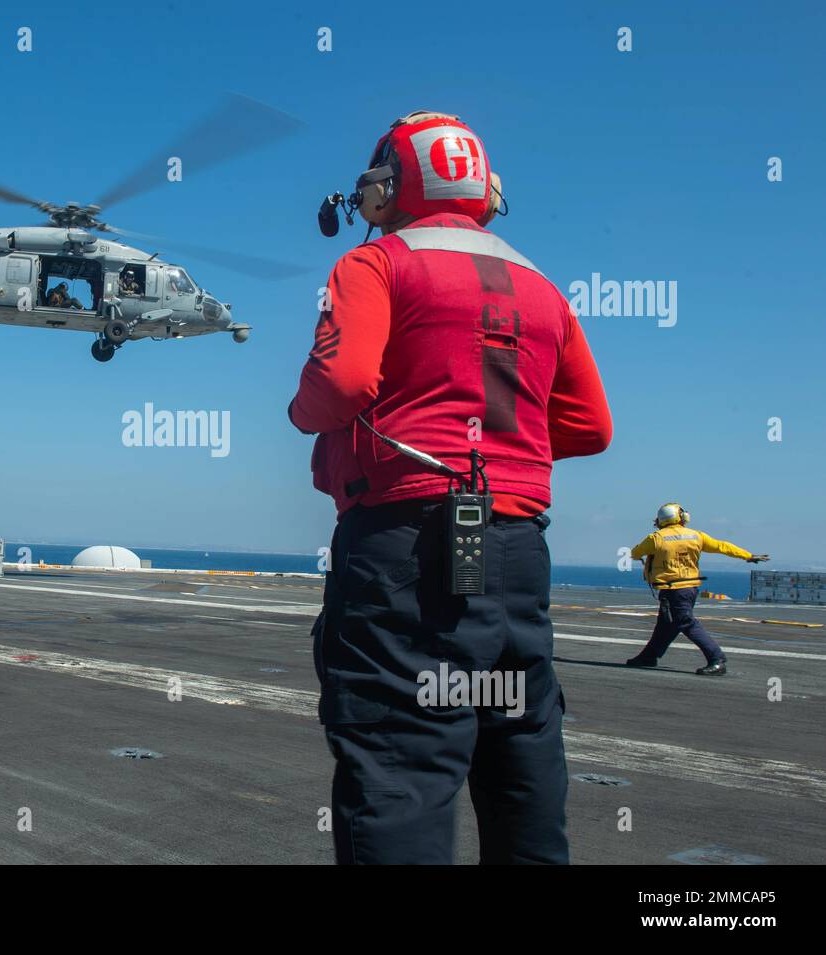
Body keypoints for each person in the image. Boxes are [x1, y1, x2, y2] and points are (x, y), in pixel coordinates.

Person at [290, 111, 612, 864]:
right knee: (521, 760)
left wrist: (303, 411)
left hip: (406, 552)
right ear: (486, 191)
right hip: (518, 556)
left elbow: (338, 384)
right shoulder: (542, 288)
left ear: (386, 188)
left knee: (401, 764)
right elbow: (591, 427)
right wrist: (509, 455)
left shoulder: (375, 265)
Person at [626, 503, 768, 675]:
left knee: (686, 623)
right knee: (665, 625)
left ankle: (717, 659)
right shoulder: (695, 536)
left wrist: (640, 555)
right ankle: (649, 656)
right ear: (681, 517)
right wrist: (748, 556)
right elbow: (721, 546)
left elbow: (635, 553)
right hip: (690, 588)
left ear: (661, 520)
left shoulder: (656, 538)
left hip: (673, 589)